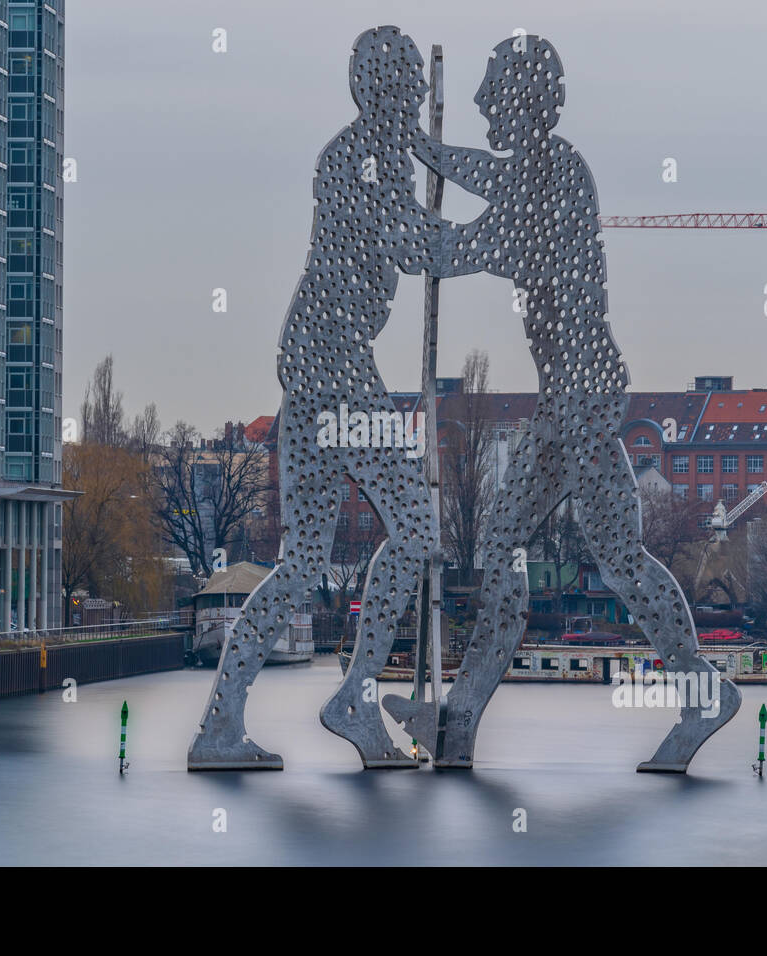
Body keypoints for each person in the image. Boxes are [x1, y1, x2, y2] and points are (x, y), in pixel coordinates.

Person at [383, 35, 741, 771]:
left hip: (581, 398)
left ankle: (700, 690)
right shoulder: (543, 171)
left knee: (612, 559)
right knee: (511, 552)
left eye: (493, 90)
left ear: (525, 98)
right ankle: (457, 725)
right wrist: (421, 145)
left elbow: (452, 251)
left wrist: (381, 207)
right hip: (566, 400)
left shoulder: (553, 176)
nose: (481, 102)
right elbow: (483, 174)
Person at [188, 26, 448, 770]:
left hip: (317, 367)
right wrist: (498, 240)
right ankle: (356, 701)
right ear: (377, 92)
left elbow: (412, 238)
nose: (411, 105)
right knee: (419, 531)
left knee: (301, 564)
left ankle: (221, 726)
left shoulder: (367, 156)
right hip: (333, 370)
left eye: (416, 97)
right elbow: (413, 243)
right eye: (405, 93)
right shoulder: (362, 160)